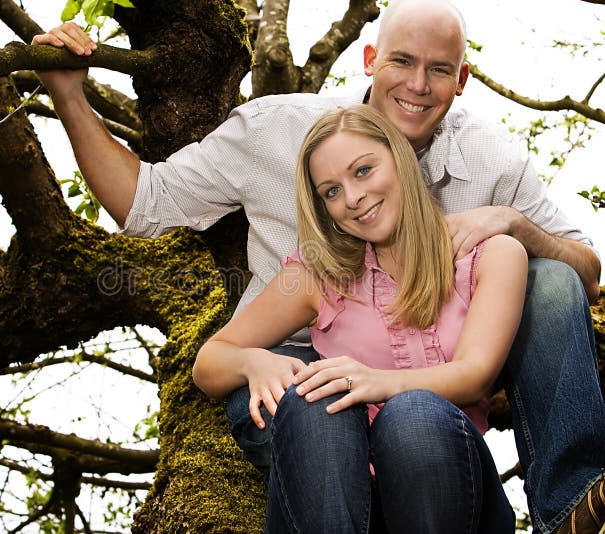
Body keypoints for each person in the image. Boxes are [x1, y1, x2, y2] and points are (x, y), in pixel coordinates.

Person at [31, 0, 605, 531]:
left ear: (461, 80)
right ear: (369, 59)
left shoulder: (488, 163)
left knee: (548, 280)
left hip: (438, 388)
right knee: (315, 403)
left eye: (438, 70)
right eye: (402, 62)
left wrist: (513, 224)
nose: (417, 84)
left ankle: (572, 502)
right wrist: (69, 94)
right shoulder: (279, 137)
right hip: (300, 358)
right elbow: (145, 203)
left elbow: (582, 275)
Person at [194, 104, 526, 532]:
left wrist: (376, 382)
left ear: (400, 158)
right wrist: (255, 361)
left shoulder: (489, 256)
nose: (352, 198)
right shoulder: (318, 275)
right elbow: (210, 361)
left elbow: (475, 375)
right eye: (331, 191)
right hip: (340, 502)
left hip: (447, 497)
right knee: (313, 399)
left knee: (414, 415)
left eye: (364, 171)